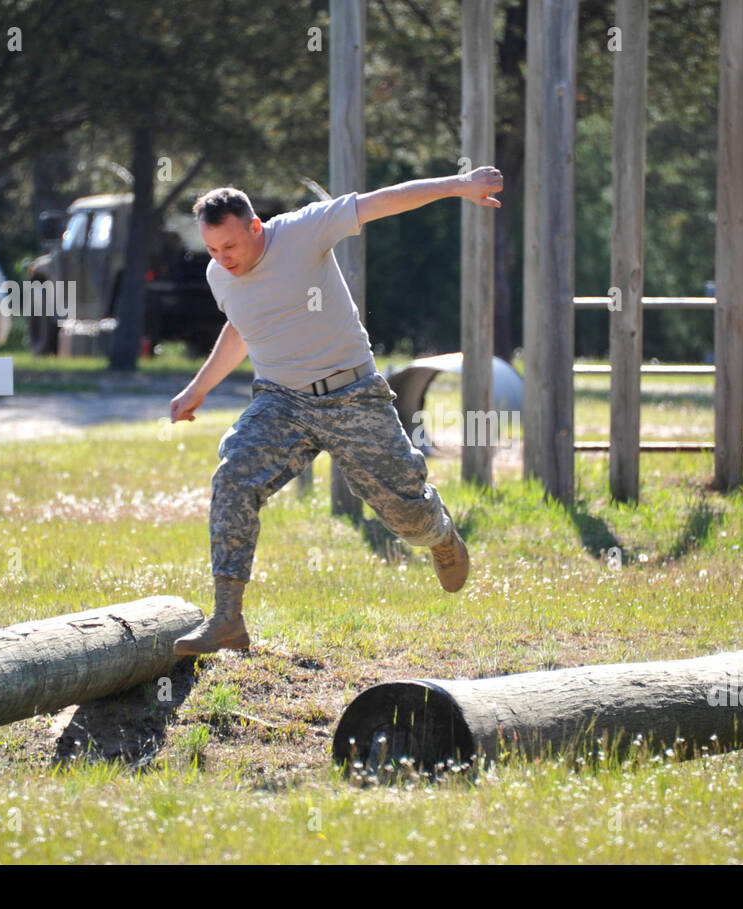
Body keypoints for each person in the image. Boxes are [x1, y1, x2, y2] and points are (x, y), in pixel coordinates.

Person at [168, 167, 504, 655]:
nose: (222, 260)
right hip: (281, 401)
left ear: (255, 226)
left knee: (404, 513)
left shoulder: (304, 230)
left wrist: (457, 186)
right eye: (213, 250)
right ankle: (228, 618)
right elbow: (241, 327)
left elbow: (381, 201)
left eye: (231, 247)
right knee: (234, 475)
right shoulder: (220, 274)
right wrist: (198, 387)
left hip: (351, 393)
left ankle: (440, 534)